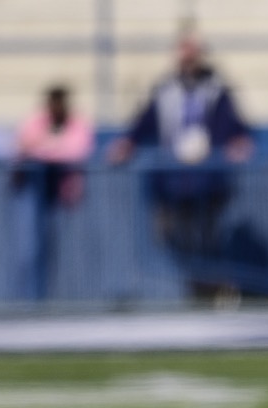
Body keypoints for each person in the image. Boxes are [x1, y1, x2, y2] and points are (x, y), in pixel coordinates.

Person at [107, 34, 255, 296]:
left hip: (208, 180)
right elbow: (145, 122)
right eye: (183, 53)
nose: (187, 60)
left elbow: (234, 124)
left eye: (193, 53)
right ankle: (202, 287)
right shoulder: (165, 90)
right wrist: (128, 143)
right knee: (171, 235)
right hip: (173, 181)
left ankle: (211, 291)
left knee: (206, 239)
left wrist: (239, 141)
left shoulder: (216, 89)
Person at [11, 86, 94, 301]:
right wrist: (51, 146)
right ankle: (29, 300)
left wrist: (44, 147)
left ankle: (54, 300)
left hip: (63, 194)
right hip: (33, 190)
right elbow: (22, 145)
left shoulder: (76, 123)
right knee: (28, 250)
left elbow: (77, 150)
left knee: (61, 252)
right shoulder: (36, 121)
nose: (56, 107)